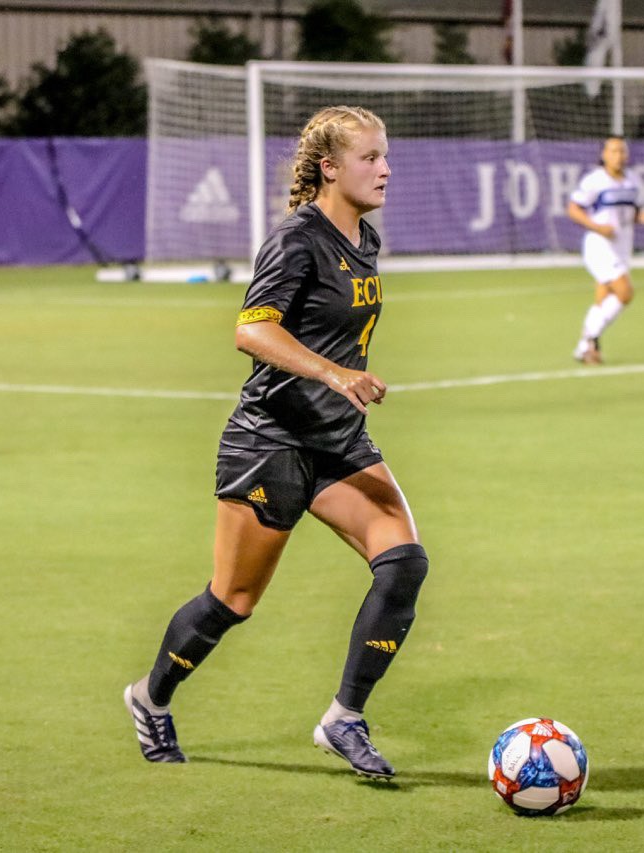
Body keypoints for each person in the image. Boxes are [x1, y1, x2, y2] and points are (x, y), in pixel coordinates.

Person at [122, 106, 426, 780]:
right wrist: (333, 371)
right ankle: (150, 696)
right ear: (330, 168)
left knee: (404, 563)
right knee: (233, 600)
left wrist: (342, 386)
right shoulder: (297, 237)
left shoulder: (363, 239)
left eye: (385, 155)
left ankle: (344, 716)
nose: (385, 167)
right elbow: (251, 331)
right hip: (272, 441)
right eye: (371, 157)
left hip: (339, 441)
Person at [568, 136, 644, 365]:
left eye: (622, 151)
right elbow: (573, 209)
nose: (618, 156)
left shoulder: (633, 181)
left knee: (604, 299)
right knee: (625, 292)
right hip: (599, 245)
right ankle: (589, 340)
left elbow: (632, 213)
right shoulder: (595, 181)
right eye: (613, 151)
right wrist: (597, 227)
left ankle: (585, 347)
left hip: (622, 247)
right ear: (604, 155)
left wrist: (642, 217)